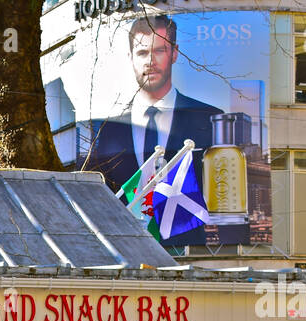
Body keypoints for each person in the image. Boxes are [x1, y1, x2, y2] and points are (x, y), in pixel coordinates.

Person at [85, 14, 222, 246]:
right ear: (130, 58)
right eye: (141, 53)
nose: (150, 61)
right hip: (127, 246)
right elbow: (99, 190)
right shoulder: (109, 128)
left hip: (188, 247)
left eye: (159, 50)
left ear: (175, 53)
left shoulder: (208, 118)